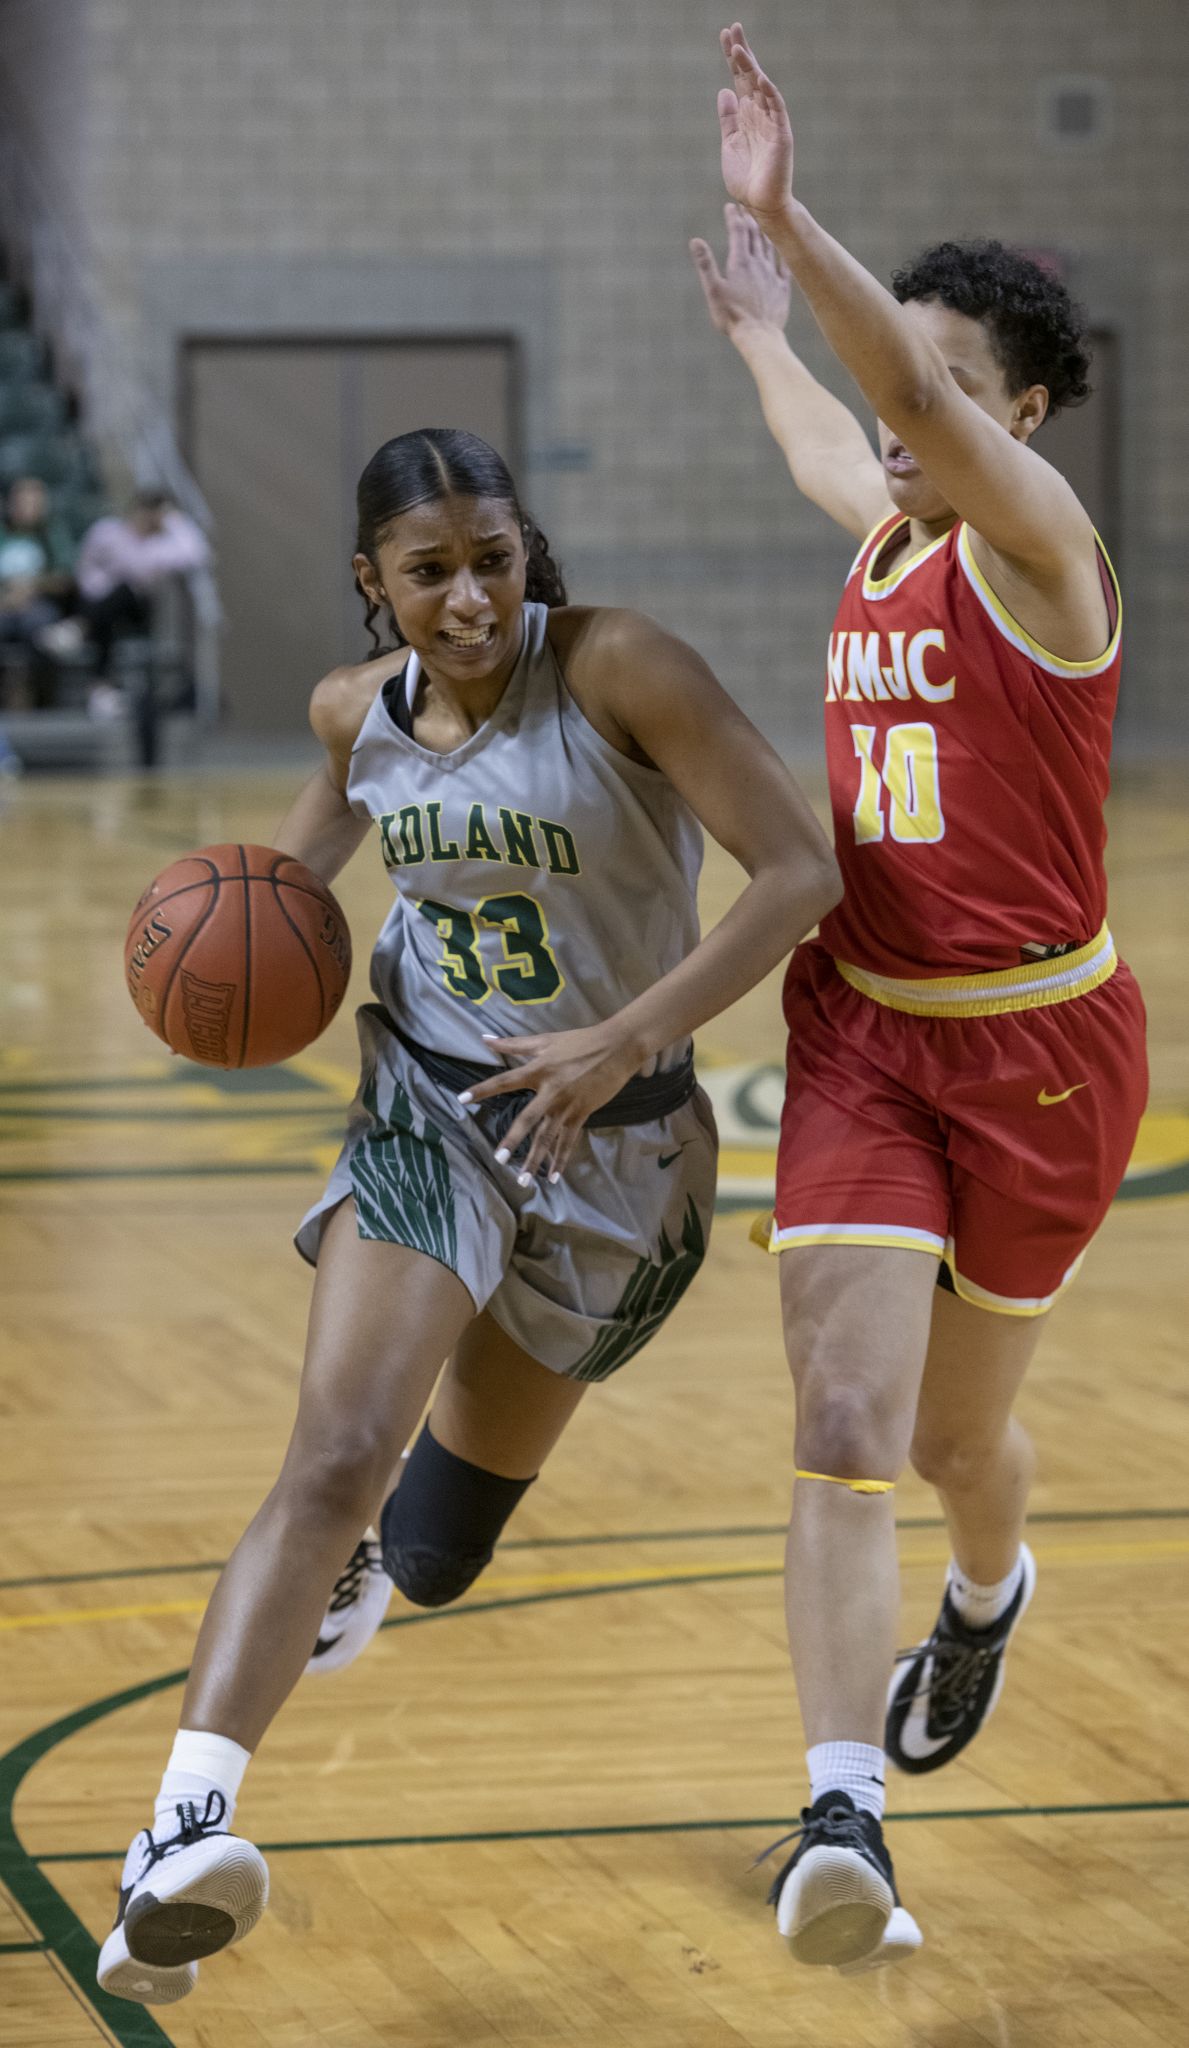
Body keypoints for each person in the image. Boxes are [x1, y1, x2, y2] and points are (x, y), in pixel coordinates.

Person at [98, 426, 841, 2007]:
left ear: (525, 551)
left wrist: (623, 1036)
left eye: (491, 560)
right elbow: (280, 899)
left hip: (617, 1147)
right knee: (335, 1450)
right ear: (371, 583)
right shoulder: (349, 715)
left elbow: (795, 873)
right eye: (427, 573)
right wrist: (201, 952)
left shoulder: (623, 667)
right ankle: (177, 1835)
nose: (468, 599)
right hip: (431, 1112)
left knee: (433, 1547)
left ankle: (380, 1571)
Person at [688, 24, 1148, 1974]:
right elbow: (832, 426)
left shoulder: (1044, 554)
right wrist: (752, 337)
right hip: (868, 1024)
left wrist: (790, 218)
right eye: (912, 391)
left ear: (1022, 415)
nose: (907, 422)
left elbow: (887, 386)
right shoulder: (887, 524)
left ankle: (989, 1584)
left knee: (962, 1448)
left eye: (952, 394)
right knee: (848, 1408)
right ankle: (838, 1814)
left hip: (1043, 1051)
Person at [41, 488, 210, 704]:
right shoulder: (106, 531)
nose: (144, 518)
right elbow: (85, 566)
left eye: (153, 514)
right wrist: (99, 592)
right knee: (105, 613)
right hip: (95, 602)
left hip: (135, 609)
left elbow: (197, 553)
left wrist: (174, 520)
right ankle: (99, 689)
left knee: (125, 590)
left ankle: (76, 630)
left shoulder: (160, 547)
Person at [0, 476, 75, 704]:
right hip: (3, 605)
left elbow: (65, 578)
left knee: (41, 629)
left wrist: (30, 587)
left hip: (39, 605)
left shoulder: (52, 533)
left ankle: (43, 700)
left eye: (35, 500)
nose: (29, 506)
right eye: (23, 500)